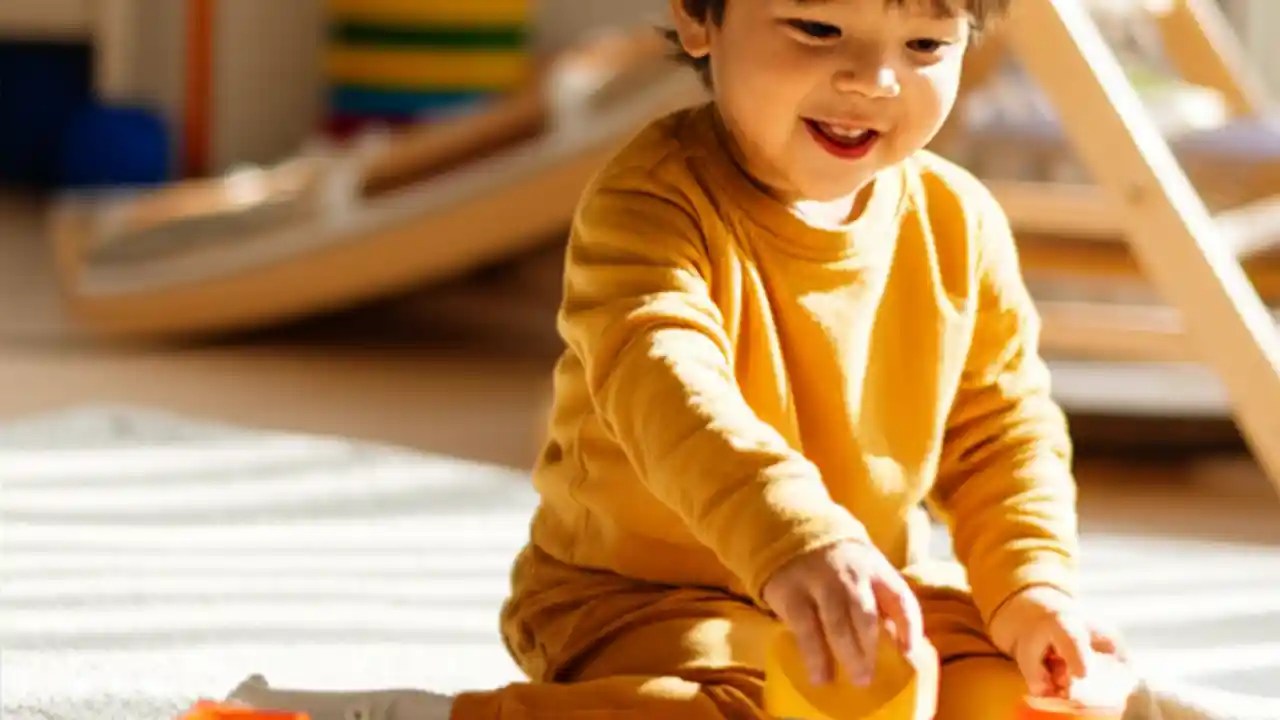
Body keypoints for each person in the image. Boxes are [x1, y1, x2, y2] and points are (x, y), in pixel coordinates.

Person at [226, 1, 1273, 718]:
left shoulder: (959, 225)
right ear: (699, 16)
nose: (870, 80)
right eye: (816, 27)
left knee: (1019, 689)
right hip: (640, 598)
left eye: (923, 44)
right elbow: (663, 380)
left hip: (855, 589)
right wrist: (792, 537)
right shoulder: (651, 202)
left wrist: (1026, 589)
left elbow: (1001, 432)